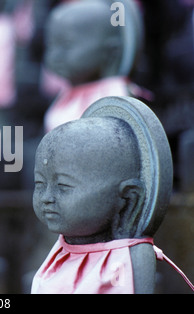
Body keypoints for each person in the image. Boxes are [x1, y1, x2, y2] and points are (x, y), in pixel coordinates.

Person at [32, 96, 194, 294]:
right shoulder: (60, 251)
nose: (46, 197)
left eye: (64, 186)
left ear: (128, 199)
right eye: (39, 184)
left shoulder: (133, 254)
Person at [43, 0, 143, 132]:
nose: (54, 56)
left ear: (111, 51)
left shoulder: (116, 100)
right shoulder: (64, 96)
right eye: (51, 46)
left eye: (66, 45)